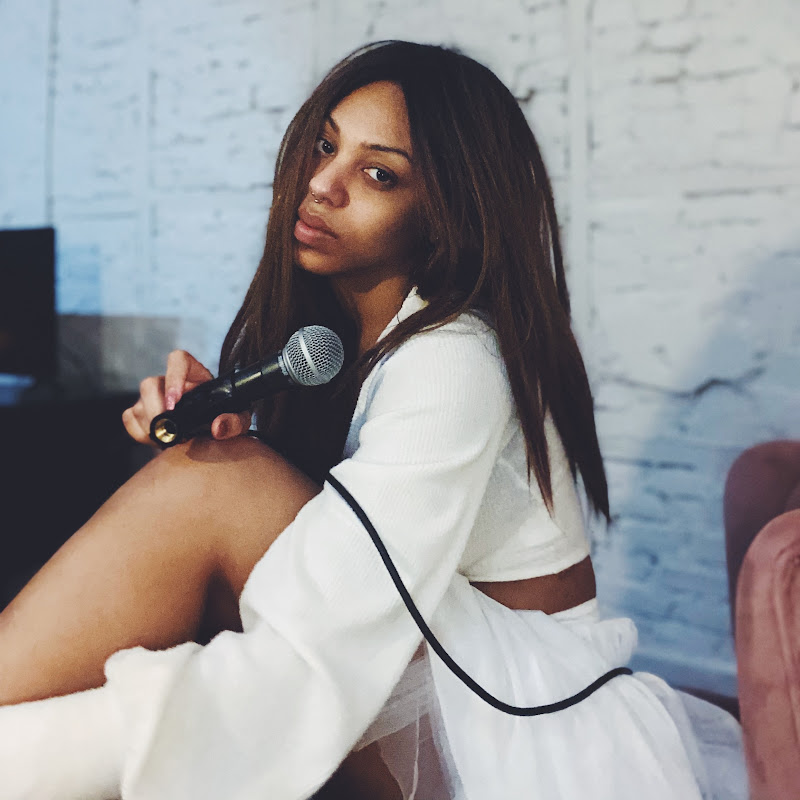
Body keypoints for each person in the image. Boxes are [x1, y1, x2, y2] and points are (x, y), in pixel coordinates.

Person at [0, 40, 743, 799]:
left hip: (522, 735)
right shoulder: (333, 340)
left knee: (218, 484)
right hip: (441, 676)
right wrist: (207, 434)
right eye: (325, 147)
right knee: (216, 473)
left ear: (444, 218)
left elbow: (319, 644)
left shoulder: (453, 359)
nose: (322, 185)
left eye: (379, 174)